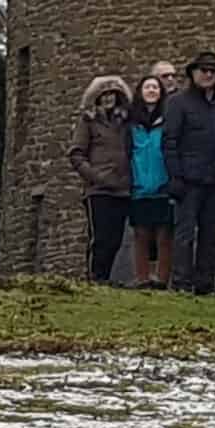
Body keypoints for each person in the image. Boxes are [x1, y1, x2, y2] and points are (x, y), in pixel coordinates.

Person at [164, 50, 215, 295]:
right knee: (185, 233)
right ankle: (182, 282)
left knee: (210, 234)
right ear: (192, 73)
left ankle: (204, 283)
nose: (208, 75)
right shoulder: (178, 103)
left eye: (213, 72)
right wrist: (175, 176)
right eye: (204, 70)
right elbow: (170, 141)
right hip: (189, 179)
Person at [65, 75, 133, 283]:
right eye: (104, 94)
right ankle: (95, 277)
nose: (108, 98)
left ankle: (106, 278)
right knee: (100, 238)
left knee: (115, 239)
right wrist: (94, 176)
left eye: (112, 94)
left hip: (122, 189)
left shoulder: (125, 122)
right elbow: (76, 153)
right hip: (98, 190)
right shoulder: (89, 121)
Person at [125, 74, 174, 289]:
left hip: (163, 182)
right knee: (141, 233)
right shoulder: (131, 123)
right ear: (140, 91)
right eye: (148, 87)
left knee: (164, 233)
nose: (152, 91)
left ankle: (162, 278)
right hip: (139, 183)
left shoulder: (168, 119)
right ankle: (142, 277)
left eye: (155, 87)